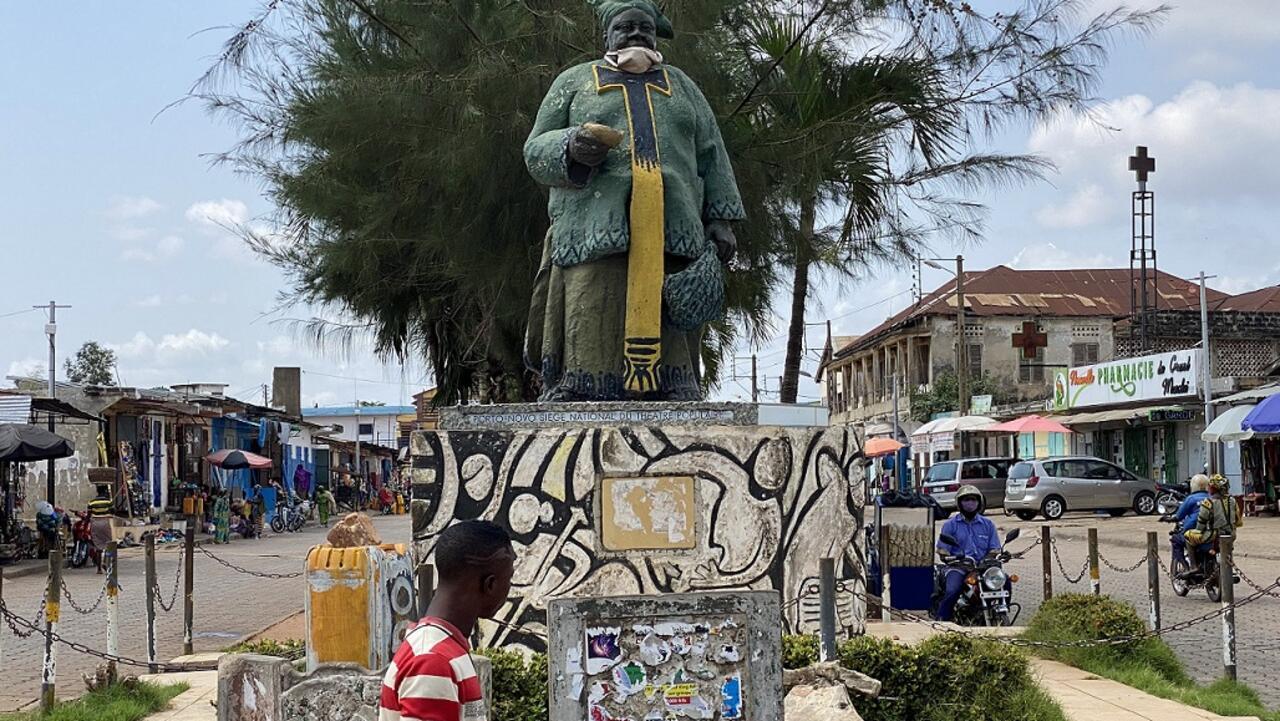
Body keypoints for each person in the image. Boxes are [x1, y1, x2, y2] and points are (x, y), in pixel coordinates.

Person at [523, 0, 746, 401]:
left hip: (674, 222)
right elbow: (535, 148)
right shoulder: (574, 82)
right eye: (624, 28)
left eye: (644, 27)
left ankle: (677, 380)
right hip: (595, 221)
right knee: (592, 300)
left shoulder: (683, 87)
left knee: (673, 306)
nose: (635, 34)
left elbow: (713, 154)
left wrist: (720, 218)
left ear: (655, 34)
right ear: (607, 35)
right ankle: (582, 382)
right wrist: (572, 146)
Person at [380, 521, 516, 721]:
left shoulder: (444, 649)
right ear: (490, 585)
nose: (509, 587)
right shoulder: (434, 661)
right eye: (509, 579)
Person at [933, 485, 1002, 622]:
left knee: (1004, 582)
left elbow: (994, 549)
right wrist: (955, 559)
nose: (970, 503)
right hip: (958, 567)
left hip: (983, 568)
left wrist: (988, 559)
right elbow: (943, 553)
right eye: (966, 500)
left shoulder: (988, 524)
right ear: (959, 503)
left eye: (973, 500)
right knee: (953, 590)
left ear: (979, 503)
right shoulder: (950, 525)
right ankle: (942, 619)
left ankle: (1000, 610)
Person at [1185, 475, 1242, 561]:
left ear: (1213, 488)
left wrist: (1199, 530)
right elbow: (1238, 522)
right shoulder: (1232, 500)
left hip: (1213, 537)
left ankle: (1194, 566)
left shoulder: (1208, 502)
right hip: (1231, 535)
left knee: (1188, 536)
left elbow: (1201, 523)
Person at [1170, 474, 1210, 572]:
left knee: (1177, 539)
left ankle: (1190, 566)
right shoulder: (1212, 498)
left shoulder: (1191, 499)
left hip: (1196, 533)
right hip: (1212, 533)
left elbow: (1179, 516)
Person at [88, 484, 115, 573]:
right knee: (108, 544)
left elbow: (88, 514)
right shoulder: (108, 502)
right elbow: (113, 511)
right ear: (105, 491)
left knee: (98, 546)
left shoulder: (91, 502)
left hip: (95, 523)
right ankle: (105, 562)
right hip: (105, 523)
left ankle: (99, 569)